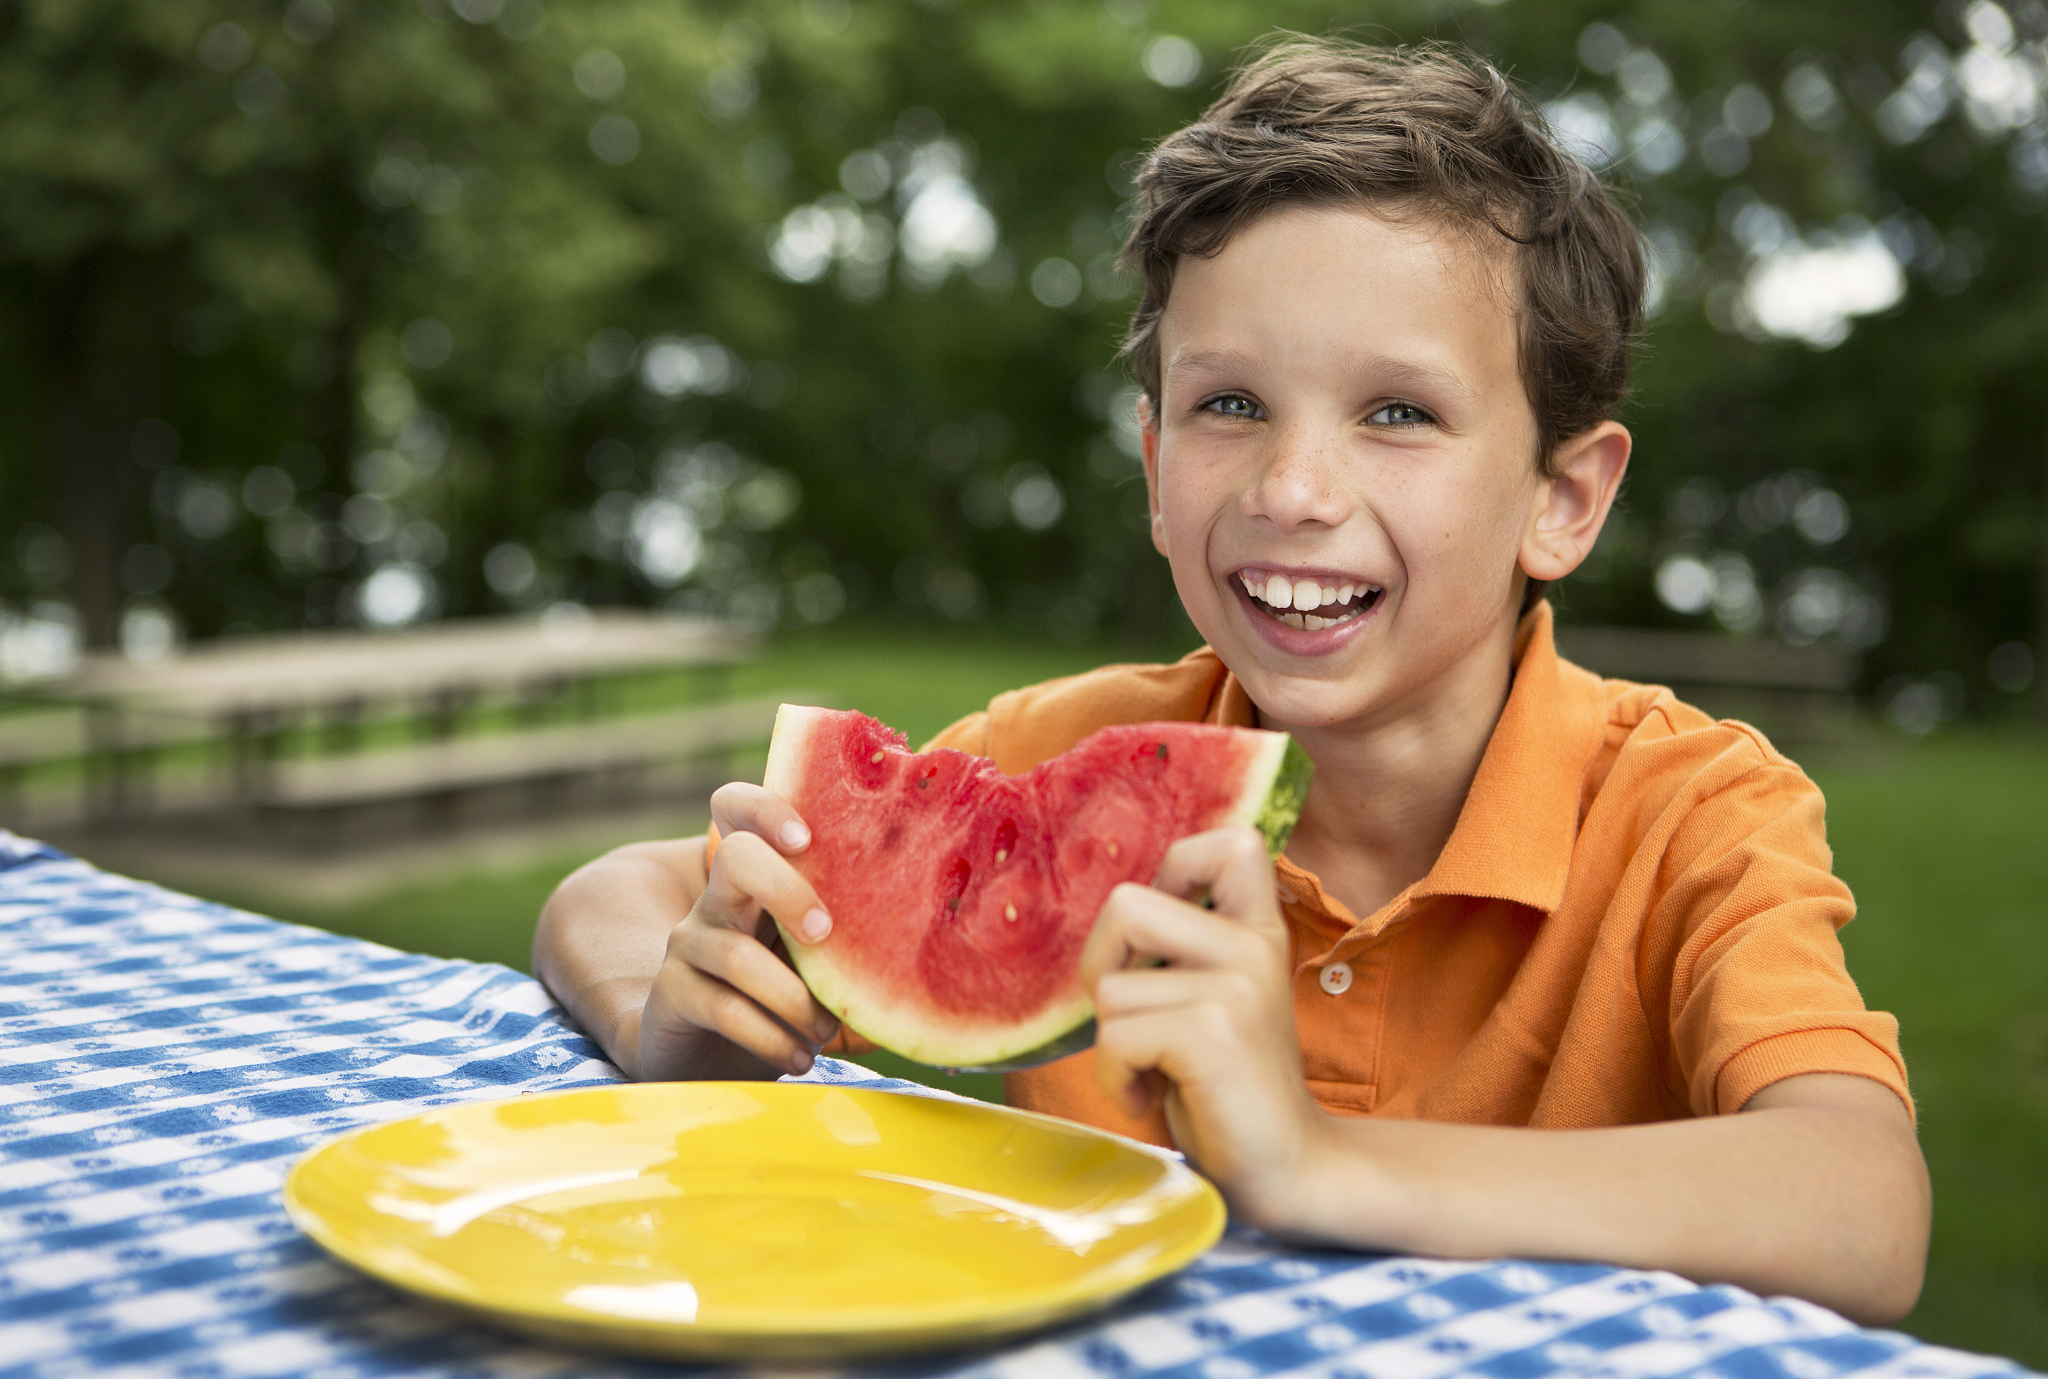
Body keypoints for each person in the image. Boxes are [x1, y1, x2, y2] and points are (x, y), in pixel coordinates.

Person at [533, 37, 1929, 1324]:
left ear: (1564, 498)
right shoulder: (1072, 748)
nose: (1294, 488)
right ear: (1155, 469)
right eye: (1230, 404)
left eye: (1398, 413)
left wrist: (1320, 1159)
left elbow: (1863, 1207)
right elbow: (607, 895)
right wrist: (675, 1014)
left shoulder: (1692, 813)